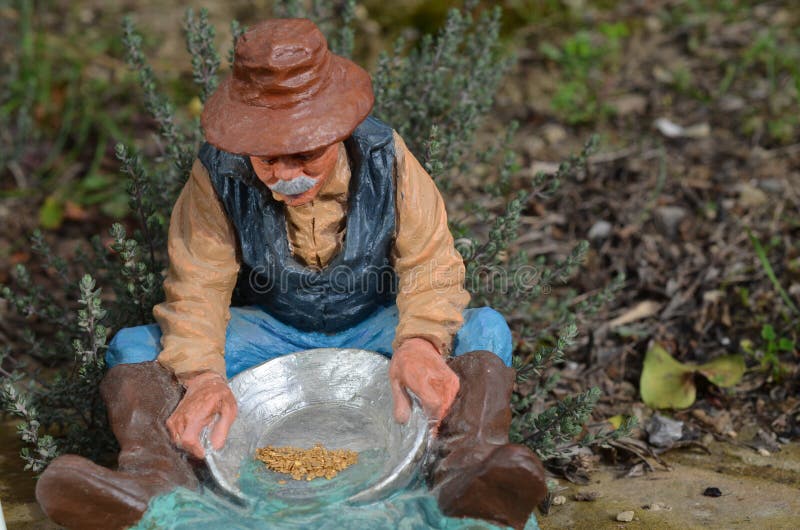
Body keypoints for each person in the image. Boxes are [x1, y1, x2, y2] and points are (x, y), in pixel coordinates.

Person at [35, 18, 546, 530]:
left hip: (373, 327)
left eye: (304, 153)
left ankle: (464, 472)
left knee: (484, 328)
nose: (286, 174)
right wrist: (202, 377)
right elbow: (197, 284)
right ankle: (153, 483)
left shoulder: (387, 157)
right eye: (268, 158)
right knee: (135, 347)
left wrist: (420, 342)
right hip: (271, 332)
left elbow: (430, 263)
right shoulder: (216, 174)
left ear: (339, 130)